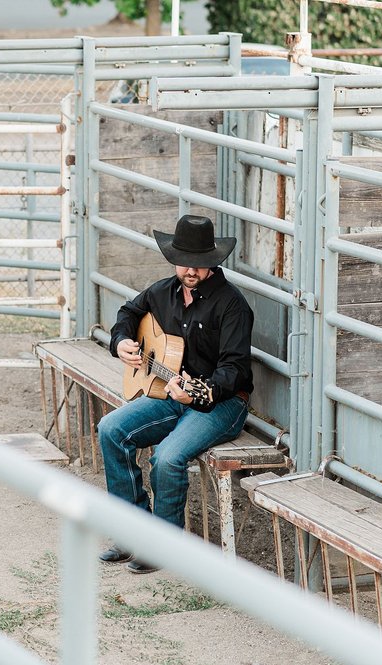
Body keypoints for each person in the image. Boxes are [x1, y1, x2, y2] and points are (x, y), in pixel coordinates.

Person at [98, 214, 254, 574]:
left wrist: (198, 394)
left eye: (200, 264)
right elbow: (128, 313)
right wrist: (121, 341)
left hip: (222, 403)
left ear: (213, 262)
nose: (191, 271)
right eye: (185, 262)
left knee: (167, 458)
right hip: (168, 393)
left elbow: (235, 371)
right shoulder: (161, 292)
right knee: (111, 430)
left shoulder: (232, 305)